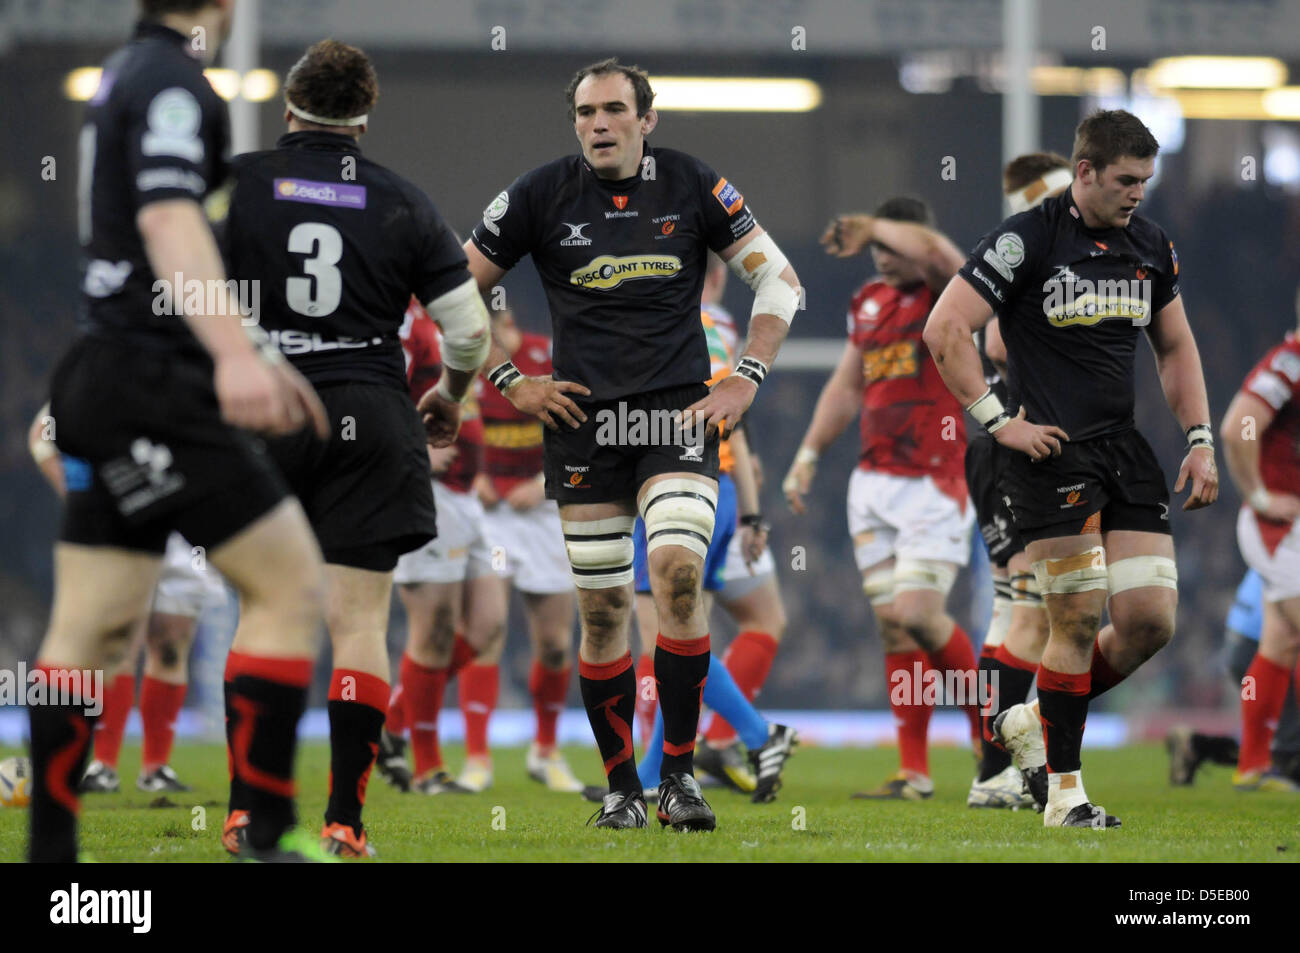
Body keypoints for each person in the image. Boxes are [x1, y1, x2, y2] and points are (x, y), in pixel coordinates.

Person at [30, 0, 331, 864]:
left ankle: (54, 868)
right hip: (153, 382)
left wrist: (254, 351)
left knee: (94, 624)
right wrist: (236, 358)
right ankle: (266, 837)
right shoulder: (174, 80)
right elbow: (169, 219)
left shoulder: (127, 68)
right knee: (289, 586)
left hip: (99, 371)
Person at [465, 58, 800, 830]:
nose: (599, 125)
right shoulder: (538, 193)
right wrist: (512, 379)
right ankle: (622, 787)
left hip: (674, 419)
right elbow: (456, 284)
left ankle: (678, 778)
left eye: (615, 110)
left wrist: (746, 375)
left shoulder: (694, 183)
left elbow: (779, 282)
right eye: (585, 113)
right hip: (581, 423)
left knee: (677, 573)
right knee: (606, 607)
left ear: (647, 120)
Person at [217, 39, 491, 856]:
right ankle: (344, 819)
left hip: (266, 406)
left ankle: (245, 811)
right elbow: (469, 331)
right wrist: (445, 398)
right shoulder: (403, 201)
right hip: (371, 412)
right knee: (360, 620)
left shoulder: (236, 182)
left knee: (264, 607)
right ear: (364, 119)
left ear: (290, 106)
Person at [924, 109, 1219, 827]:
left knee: (1149, 621)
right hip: (1049, 450)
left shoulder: (1151, 245)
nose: (1137, 195)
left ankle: (1033, 713)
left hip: (1123, 448)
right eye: (1124, 180)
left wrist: (1202, 437)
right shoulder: (1027, 237)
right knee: (1077, 616)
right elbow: (945, 327)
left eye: (1145, 181)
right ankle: (1065, 795)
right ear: (1084, 171)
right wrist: (1000, 422)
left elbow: (1175, 347)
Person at [785, 196, 981, 801]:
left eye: (891, 244)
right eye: (874, 248)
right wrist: (809, 454)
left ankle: (993, 742)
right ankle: (914, 772)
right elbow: (847, 386)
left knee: (922, 615)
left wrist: (880, 227)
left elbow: (941, 254)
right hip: (873, 484)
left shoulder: (949, 295)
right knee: (895, 631)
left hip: (936, 480)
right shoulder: (867, 303)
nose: (881, 256)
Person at [629, 256, 797, 803]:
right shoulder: (721, 331)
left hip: (681, 483)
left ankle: (757, 733)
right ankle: (656, 774)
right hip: (715, 487)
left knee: (667, 635)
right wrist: (750, 513)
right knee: (676, 631)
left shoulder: (677, 326)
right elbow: (736, 430)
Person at [29, 410, 224, 795]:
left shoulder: (191, 369)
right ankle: (103, 766)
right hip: (121, 522)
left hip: (183, 528)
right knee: (120, 644)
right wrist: (77, 497)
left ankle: (156, 768)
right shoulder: (111, 363)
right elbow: (41, 435)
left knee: (171, 646)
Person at [474, 307, 597, 793]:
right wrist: (475, 473)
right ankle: (478, 758)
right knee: (487, 629)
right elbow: (445, 423)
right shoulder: (460, 358)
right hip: (489, 513)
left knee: (553, 642)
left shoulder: (546, 355)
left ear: (505, 317)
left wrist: (542, 481)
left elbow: (581, 428)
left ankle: (545, 752)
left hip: (543, 509)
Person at [1220, 308, 1300, 791]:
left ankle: (1251, 764)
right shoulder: (1291, 362)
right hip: (1279, 529)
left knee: (1280, 642)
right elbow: (1239, 427)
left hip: (1288, 527)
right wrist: (1260, 494)